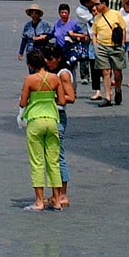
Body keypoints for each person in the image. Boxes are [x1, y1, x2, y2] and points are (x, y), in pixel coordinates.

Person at [19, 48, 65, 211]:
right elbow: (61, 100)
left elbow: (23, 103)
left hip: (36, 121)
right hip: (52, 120)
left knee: (37, 161)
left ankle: (39, 201)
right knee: (54, 161)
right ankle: (57, 200)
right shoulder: (54, 78)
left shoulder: (30, 80)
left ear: (31, 64)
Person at [43, 44, 76, 208]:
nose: (48, 62)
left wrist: (51, 98)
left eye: (51, 59)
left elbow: (71, 97)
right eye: (46, 59)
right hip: (52, 115)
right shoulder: (54, 72)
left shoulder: (63, 74)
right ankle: (58, 193)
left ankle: (63, 194)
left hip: (58, 116)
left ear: (59, 58)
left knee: (59, 155)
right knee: (53, 155)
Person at [91, 0, 127, 107]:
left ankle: (118, 89)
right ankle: (108, 96)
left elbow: (123, 29)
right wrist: (96, 46)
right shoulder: (97, 17)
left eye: (97, 4)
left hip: (115, 46)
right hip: (102, 46)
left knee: (117, 71)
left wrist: (123, 43)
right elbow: (94, 33)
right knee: (105, 72)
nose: (95, 7)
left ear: (104, 4)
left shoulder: (116, 14)